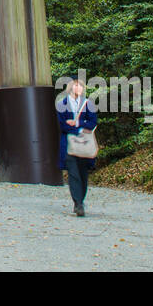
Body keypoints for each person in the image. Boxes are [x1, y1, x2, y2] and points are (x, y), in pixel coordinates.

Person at [59, 78, 98, 216]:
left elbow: (93, 122)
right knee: (73, 174)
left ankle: (80, 199)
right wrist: (78, 128)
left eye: (80, 86)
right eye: (76, 86)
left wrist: (77, 125)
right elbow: (61, 124)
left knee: (83, 174)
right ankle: (78, 203)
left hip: (84, 144)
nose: (79, 88)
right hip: (69, 144)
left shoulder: (88, 104)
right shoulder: (61, 104)